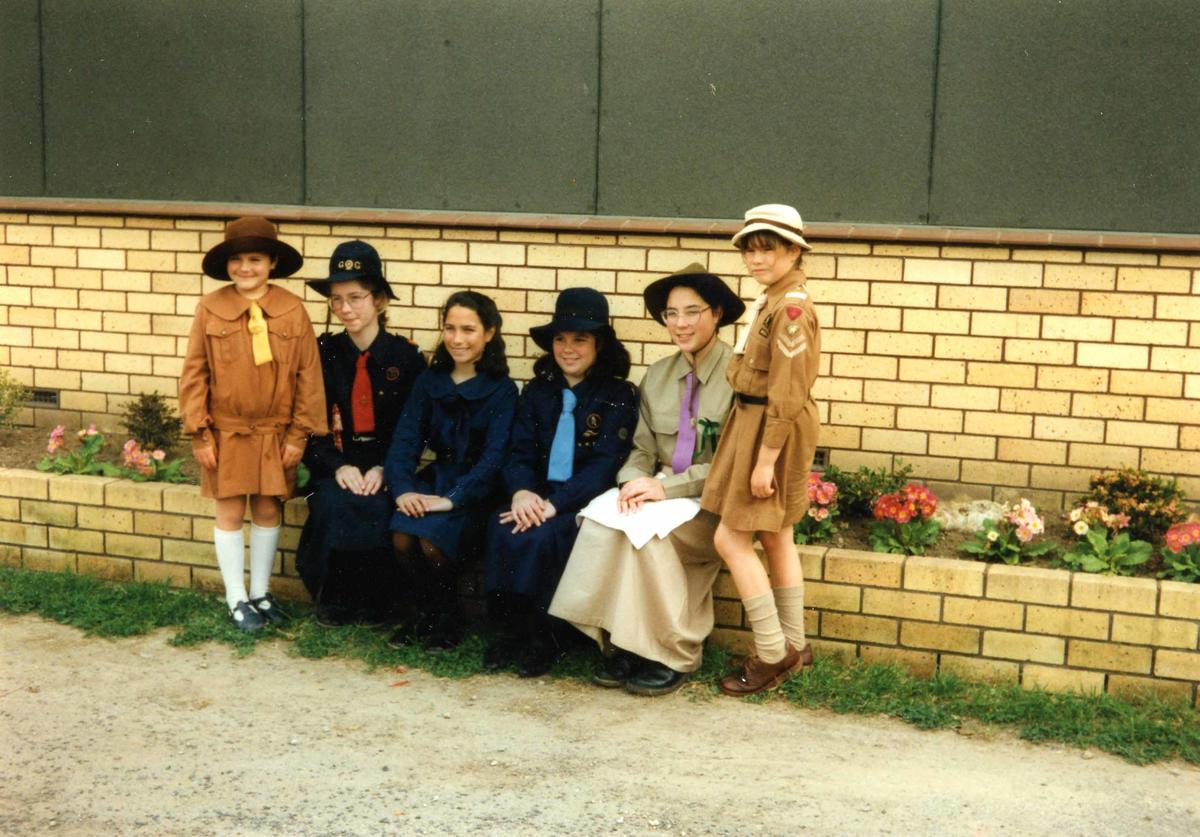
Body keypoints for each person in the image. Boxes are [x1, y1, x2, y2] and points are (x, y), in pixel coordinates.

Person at [549, 263, 743, 696]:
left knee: (650, 539)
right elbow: (640, 448)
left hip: (711, 502)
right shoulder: (657, 375)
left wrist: (665, 489)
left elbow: (732, 466)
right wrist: (632, 483)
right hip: (661, 493)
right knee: (603, 523)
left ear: (716, 314)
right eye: (671, 314)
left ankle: (674, 653)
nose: (680, 324)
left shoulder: (739, 375)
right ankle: (623, 642)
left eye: (692, 312)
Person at [179, 216, 327, 631]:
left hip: (276, 433)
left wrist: (298, 434)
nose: (246, 268)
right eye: (238, 260)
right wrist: (199, 433)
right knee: (229, 511)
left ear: (273, 263)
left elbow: (308, 375)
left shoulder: (292, 311)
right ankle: (236, 598)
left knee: (266, 508)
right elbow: (195, 374)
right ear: (227, 265)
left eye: (256, 259)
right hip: (225, 432)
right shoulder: (211, 308)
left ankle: (260, 592)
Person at [483, 287, 639, 677]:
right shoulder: (539, 392)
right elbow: (518, 451)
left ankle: (545, 637)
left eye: (580, 339)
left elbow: (604, 466)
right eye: (560, 339)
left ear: (599, 344)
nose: (568, 348)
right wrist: (521, 493)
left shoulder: (618, 395)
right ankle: (511, 631)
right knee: (503, 526)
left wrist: (555, 505)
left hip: (581, 500)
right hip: (535, 496)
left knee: (546, 536)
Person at [700, 203, 821, 696]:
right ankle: (796, 645)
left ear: (794, 250)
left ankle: (772, 653)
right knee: (776, 536)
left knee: (731, 539)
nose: (756, 259)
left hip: (770, 425)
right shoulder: (773, 299)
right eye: (750, 249)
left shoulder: (790, 310)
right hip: (758, 418)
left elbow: (788, 391)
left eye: (767, 248)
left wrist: (766, 459)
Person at [295, 240, 426, 627]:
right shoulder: (323, 353)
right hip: (336, 461)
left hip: (389, 464)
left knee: (380, 503)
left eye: (355, 297)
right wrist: (337, 466)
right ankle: (336, 599)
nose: (345, 309)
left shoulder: (406, 357)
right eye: (336, 300)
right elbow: (309, 420)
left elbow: (413, 428)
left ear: (380, 300)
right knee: (335, 502)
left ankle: (381, 602)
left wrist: (388, 469)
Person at [384, 291, 518, 650]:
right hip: (436, 479)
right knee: (401, 536)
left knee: (430, 542)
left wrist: (452, 500)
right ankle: (424, 613)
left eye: (469, 330)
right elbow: (405, 442)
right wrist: (403, 490)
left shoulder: (502, 391)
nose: (457, 339)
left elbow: (494, 459)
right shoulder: (430, 382)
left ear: (489, 333)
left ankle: (448, 616)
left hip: (477, 490)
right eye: (450, 328)